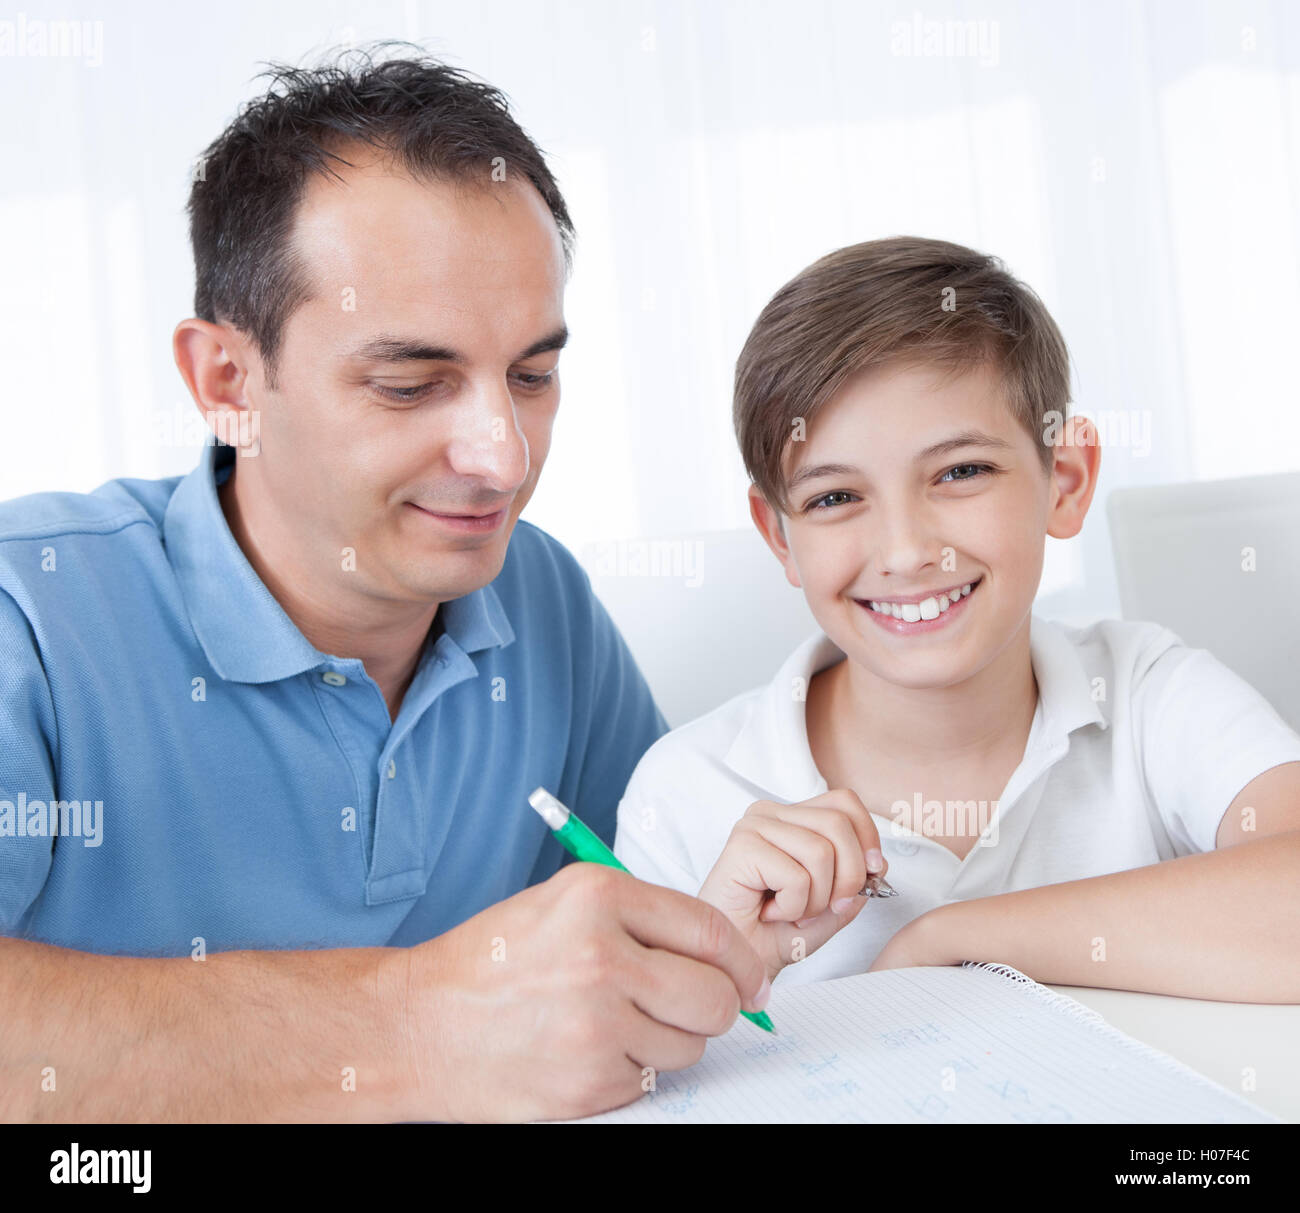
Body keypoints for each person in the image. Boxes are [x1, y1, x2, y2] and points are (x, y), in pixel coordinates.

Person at [0, 47, 778, 1124]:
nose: (502, 460)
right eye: (411, 384)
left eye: (534, 374)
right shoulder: (29, 613)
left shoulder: (537, 593)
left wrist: (715, 930)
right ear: (227, 382)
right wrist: (421, 1022)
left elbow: (632, 932)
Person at [614, 235, 1300, 1000]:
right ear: (781, 536)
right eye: (835, 497)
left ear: (1064, 481)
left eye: (960, 471)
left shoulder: (1146, 694)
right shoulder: (683, 795)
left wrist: (955, 937)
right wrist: (715, 977)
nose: (907, 552)